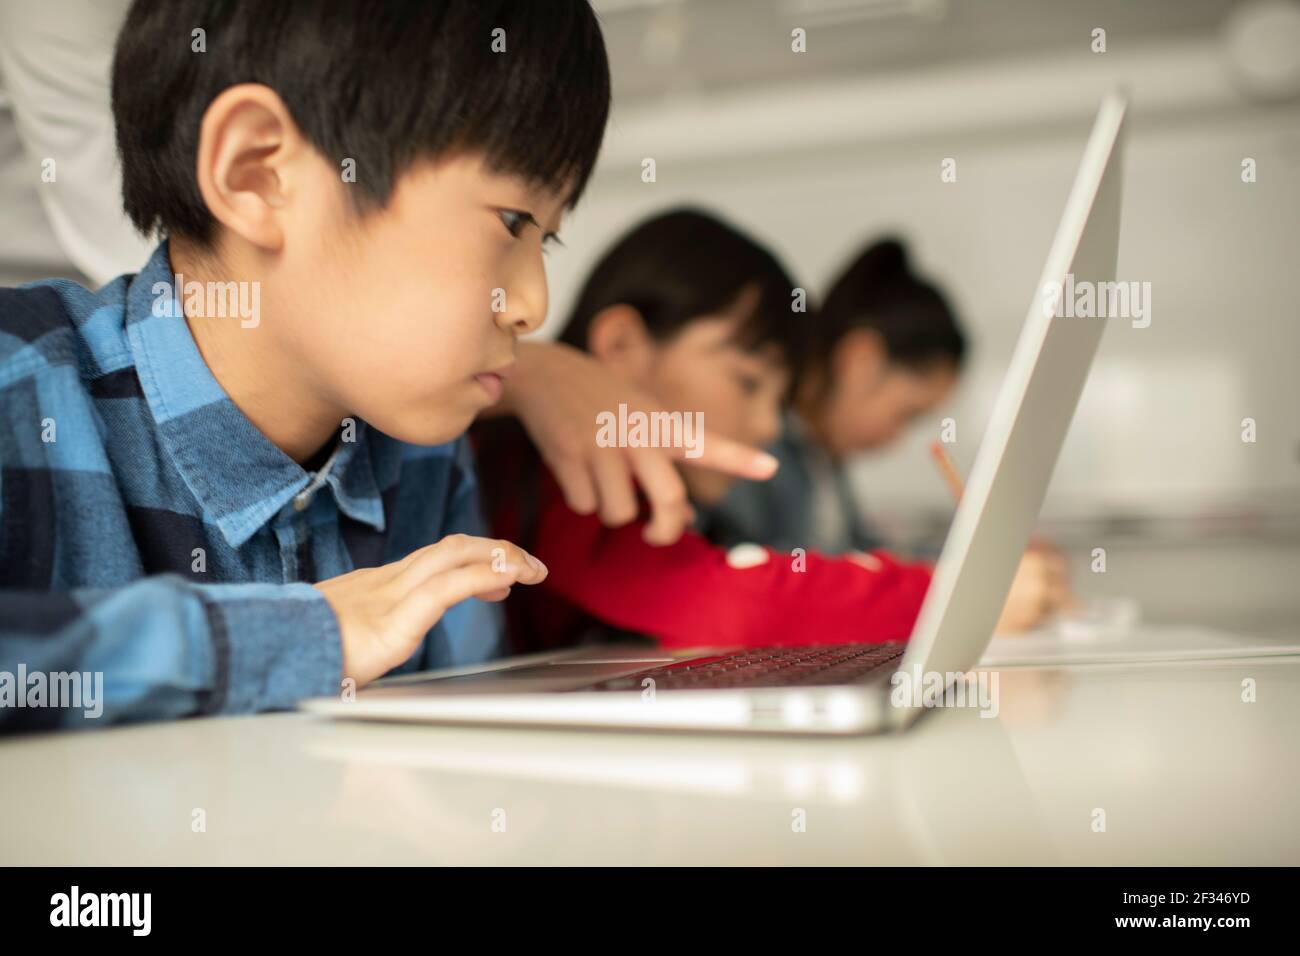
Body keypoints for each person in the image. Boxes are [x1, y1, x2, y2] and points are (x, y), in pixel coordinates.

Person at [473, 209, 1067, 655]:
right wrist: (961, 600)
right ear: (624, 347)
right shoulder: (566, 469)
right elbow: (726, 602)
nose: (766, 424)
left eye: (778, 398)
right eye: (748, 383)